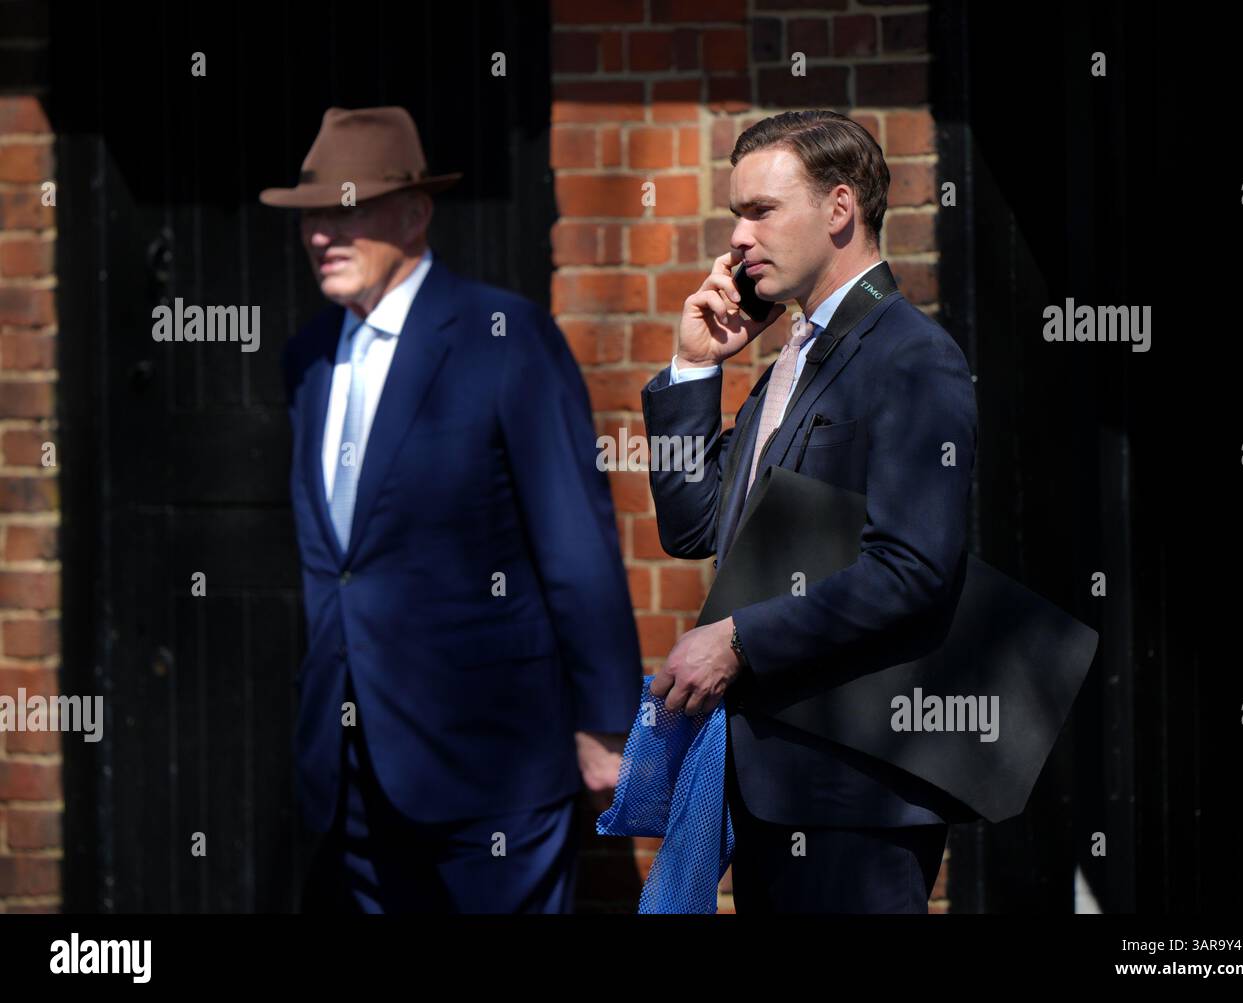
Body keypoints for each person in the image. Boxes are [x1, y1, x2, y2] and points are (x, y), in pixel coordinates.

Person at [262, 106, 642, 913]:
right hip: (349, 765)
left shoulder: (504, 336)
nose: (319, 234)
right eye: (310, 216)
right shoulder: (306, 359)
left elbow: (575, 538)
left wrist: (607, 723)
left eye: (346, 209)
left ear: (414, 212)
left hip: (491, 760)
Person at [641, 109, 977, 913]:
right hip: (771, 785)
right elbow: (692, 526)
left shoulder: (912, 356)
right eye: (735, 214)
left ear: (838, 210)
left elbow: (912, 570)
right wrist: (693, 368)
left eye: (760, 211)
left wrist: (739, 638)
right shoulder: (792, 356)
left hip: (850, 793)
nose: (739, 238)